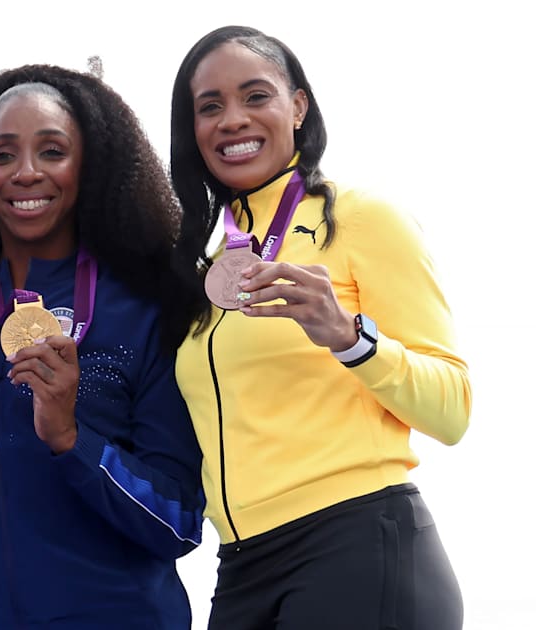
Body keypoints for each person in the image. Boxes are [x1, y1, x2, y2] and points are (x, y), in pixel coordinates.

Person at [0, 64, 205, 629]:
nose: (26, 173)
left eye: (52, 151)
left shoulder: (145, 310)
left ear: (86, 166)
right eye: (2, 156)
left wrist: (72, 439)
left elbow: (178, 521)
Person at [167, 25, 471, 630]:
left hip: (355, 541)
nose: (232, 120)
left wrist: (351, 340)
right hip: (241, 565)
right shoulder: (199, 262)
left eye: (256, 96)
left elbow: (453, 410)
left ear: (298, 106)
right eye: (210, 106)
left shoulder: (364, 218)